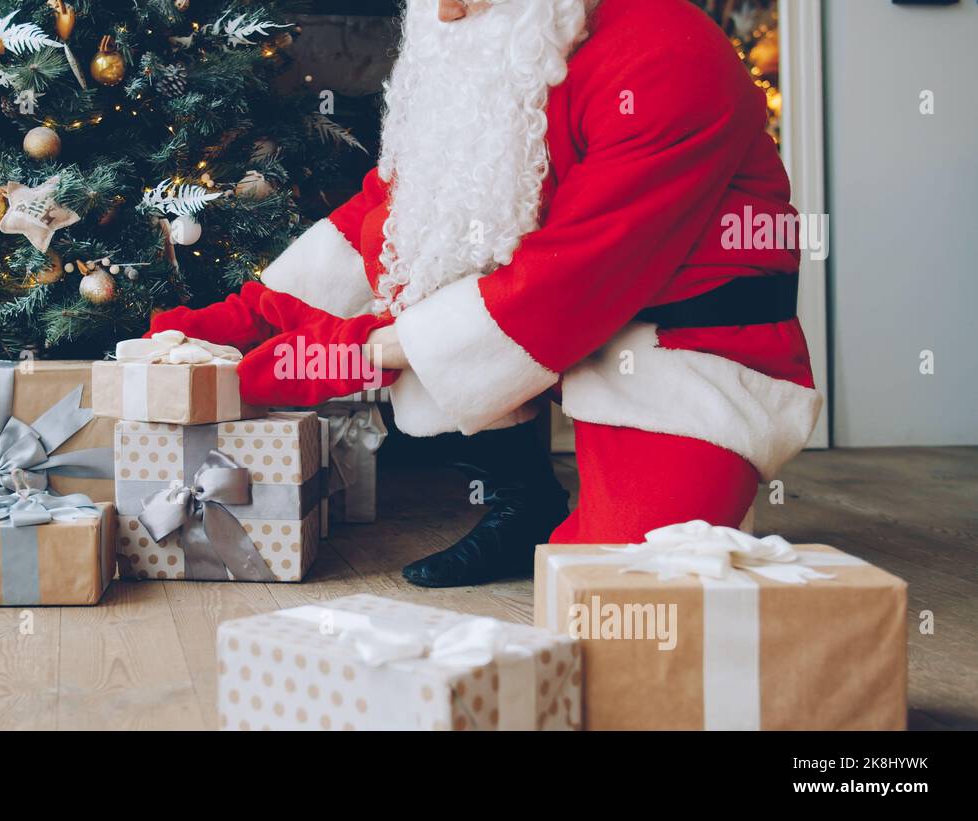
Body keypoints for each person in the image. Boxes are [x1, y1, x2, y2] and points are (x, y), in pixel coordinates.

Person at [149, 0, 822, 588]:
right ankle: (522, 500)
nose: (442, 12)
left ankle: (697, 478)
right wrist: (249, 314)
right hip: (564, 326)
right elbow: (400, 210)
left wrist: (366, 350)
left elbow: (572, 281)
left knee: (623, 588)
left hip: (684, 351)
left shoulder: (664, 52)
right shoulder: (500, 32)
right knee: (442, 255)